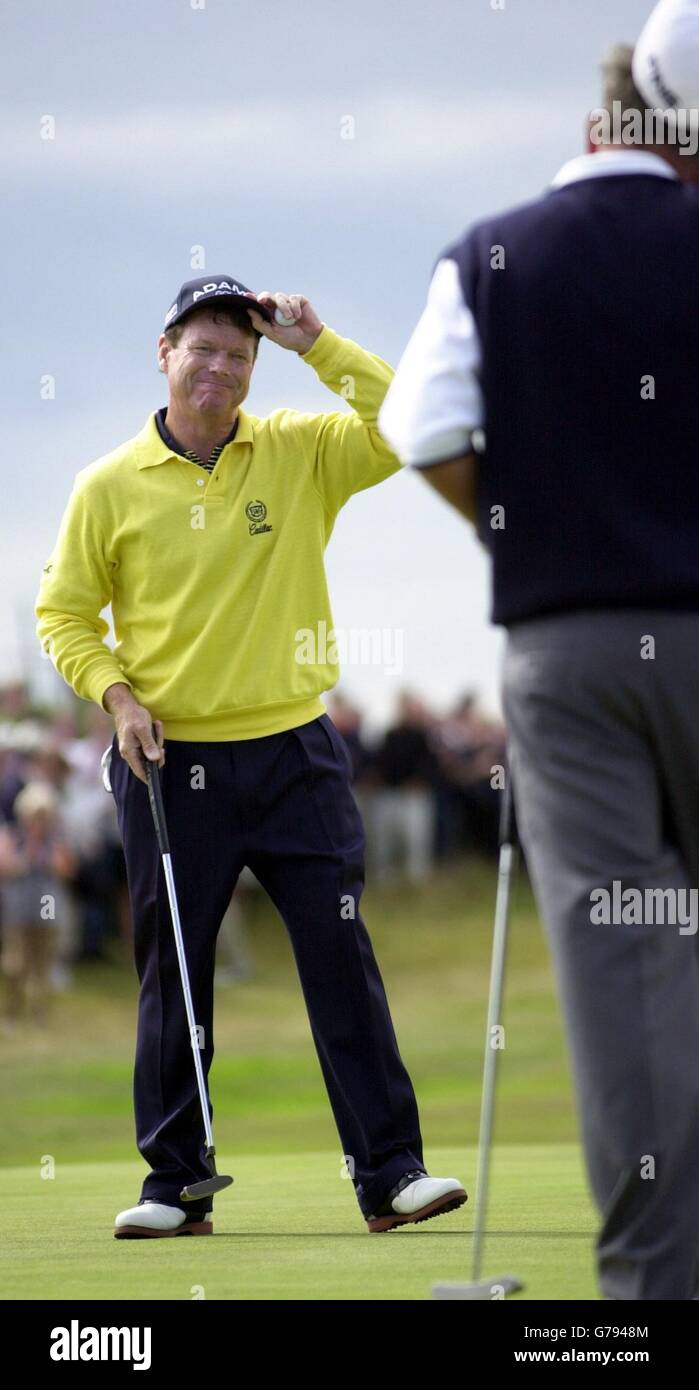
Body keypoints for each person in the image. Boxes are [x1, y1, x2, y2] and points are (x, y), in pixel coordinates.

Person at [379, 3, 699, 1300]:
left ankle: (650, 1286)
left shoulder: (488, 252)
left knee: (621, 965)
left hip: (562, 651)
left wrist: (528, 530)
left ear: (595, 115)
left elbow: (424, 428)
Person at [35, 273, 465, 1238]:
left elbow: (406, 425)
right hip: (167, 761)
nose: (221, 368)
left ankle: (391, 1173)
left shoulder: (299, 449)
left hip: (295, 753)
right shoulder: (106, 485)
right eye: (204, 347)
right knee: (173, 976)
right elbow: (63, 615)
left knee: (339, 959)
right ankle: (175, 1188)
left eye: (241, 352)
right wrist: (116, 695)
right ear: (165, 352)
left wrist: (319, 343)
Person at [0, 781, 77, 1028]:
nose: (38, 822)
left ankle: (39, 1012)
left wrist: (50, 857)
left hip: (47, 906)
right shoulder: (12, 837)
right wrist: (28, 854)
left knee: (43, 962)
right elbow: (6, 868)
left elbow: (67, 870)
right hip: (19, 907)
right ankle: (13, 1010)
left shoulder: (56, 841)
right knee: (15, 963)